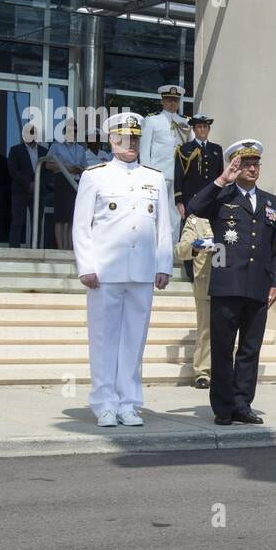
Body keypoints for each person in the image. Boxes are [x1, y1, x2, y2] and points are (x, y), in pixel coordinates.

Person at [72, 113, 173, 427]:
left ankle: (129, 403)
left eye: (135, 138)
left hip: (142, 271)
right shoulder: (95, 176)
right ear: (112, 140)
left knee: (134, 341)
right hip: (106, 272)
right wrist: (86, 266)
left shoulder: (154, 178)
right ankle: (104, 404)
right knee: (104, 339)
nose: (130, 144)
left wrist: (164, 264)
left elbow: (163, 227)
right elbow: (81, 225)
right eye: (124, 138)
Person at [186, 140, 276, 425]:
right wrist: (222, 179)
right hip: (227, 284)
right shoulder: (222, 195)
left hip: (258, 285)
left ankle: (242, 404)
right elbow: (194, 206)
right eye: (246, 164)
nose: (252, 169)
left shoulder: (271, 202)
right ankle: (223, 407)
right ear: (235, 166)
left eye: (255, 164)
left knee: (250, 349)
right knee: (222, 347)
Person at [140, 84, 190, 235]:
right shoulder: (152, 120)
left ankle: (172, 245)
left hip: (179, 175)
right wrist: (147, 173)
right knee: (154, 210)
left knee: (175, 213)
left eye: (175, 100)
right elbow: (144, 150)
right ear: (162, 101)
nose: (172, 103)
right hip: (158, 173)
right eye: (169, 99)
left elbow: (190, 149)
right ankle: (154, 243)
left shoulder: (186, 122)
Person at [46, 119, 102, 252]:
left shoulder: (81, 149)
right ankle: (61, 247)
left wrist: (79, 169)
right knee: (61, 217)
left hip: (76, 182)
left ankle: (70, 247)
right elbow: (48, 165)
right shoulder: (56, 146)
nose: (73, 133)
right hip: (62, 180)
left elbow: (85, 166)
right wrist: (67, 168)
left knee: (72, 216)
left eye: (75, 131)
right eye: (70, 131)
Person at [174, 212, 216, 389]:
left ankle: (224, 370)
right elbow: (180, 251)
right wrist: (194, 245)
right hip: (206, 282)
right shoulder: (196, 220)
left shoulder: (234, 213)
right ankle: (203, 372)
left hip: (233, 281)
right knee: (206, 328)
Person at [174, 113, 224, 222]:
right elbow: (178, 175)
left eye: (205, 126)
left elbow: (220, 175)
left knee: (211, 229)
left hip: (212, 199)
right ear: (194, 129)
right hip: (191, 199)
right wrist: (179, 201)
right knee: (191, 229)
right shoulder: (184, 148)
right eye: (199, 127)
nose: (202, 129)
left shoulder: (216, 149)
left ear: (209, 129)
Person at [7, 129, 49, 248]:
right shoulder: (15, 150)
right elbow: (13, 170)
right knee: (17, 221)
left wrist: (37, 184)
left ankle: (34, 250)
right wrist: (28, 184)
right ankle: (14, 249)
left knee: (36, 222)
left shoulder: (44, 151)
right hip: (20, 191)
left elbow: (48, 172)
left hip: (38, 192)